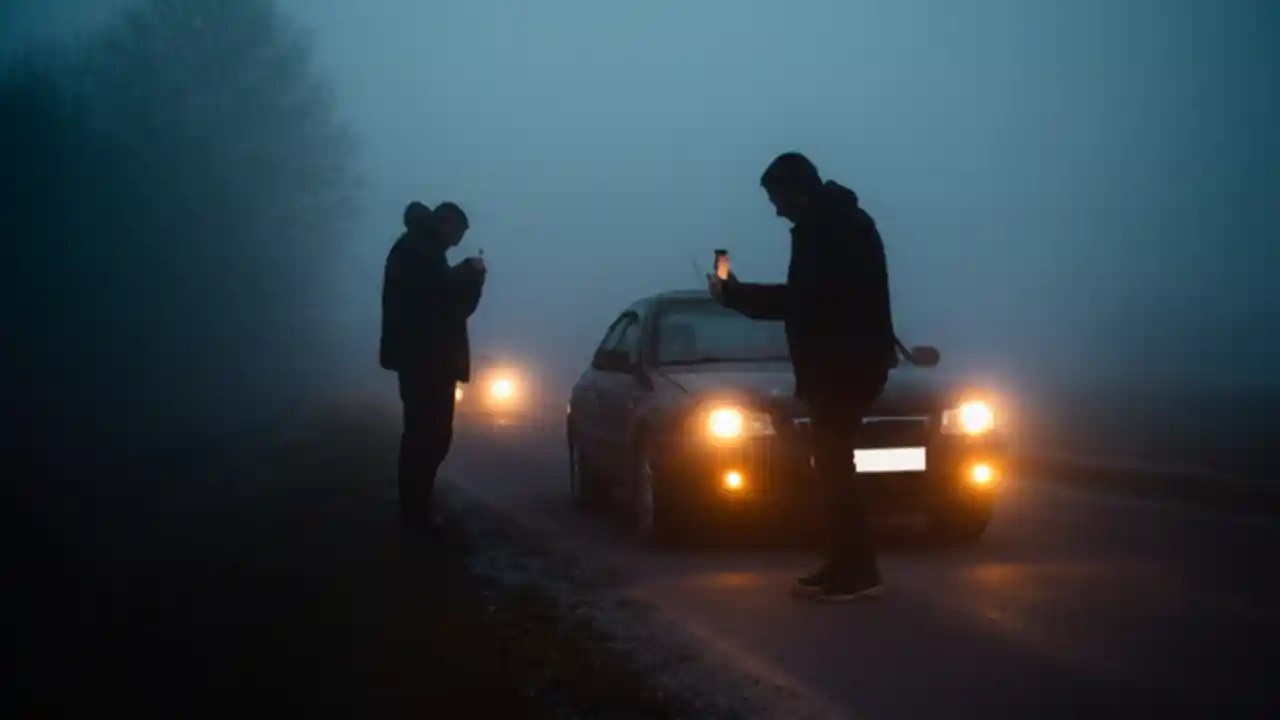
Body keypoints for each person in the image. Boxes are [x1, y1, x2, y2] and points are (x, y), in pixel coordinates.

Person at [709, 152, 895, 602]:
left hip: (842, 368)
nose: (775, 209)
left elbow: (804, 301)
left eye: (776, 198)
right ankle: (843, 567)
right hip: (846, 365)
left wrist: (736, 296)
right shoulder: (838, 223)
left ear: (796, 191)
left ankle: (857, 573)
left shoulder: (827, 230)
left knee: (835, 473)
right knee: (833, 471)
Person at [380, 201, 486, 531]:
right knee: (426, 436)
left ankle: (417, 509)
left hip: (429, 360)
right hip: (424, 360)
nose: (457, 241)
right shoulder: (417, 251)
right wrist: (466, 275)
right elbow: (432, 302)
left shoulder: (423, 251)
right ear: (446, 224)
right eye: (458, 233)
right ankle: (414, 515)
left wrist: (470, 281)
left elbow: (453, 308)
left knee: (431, 436)